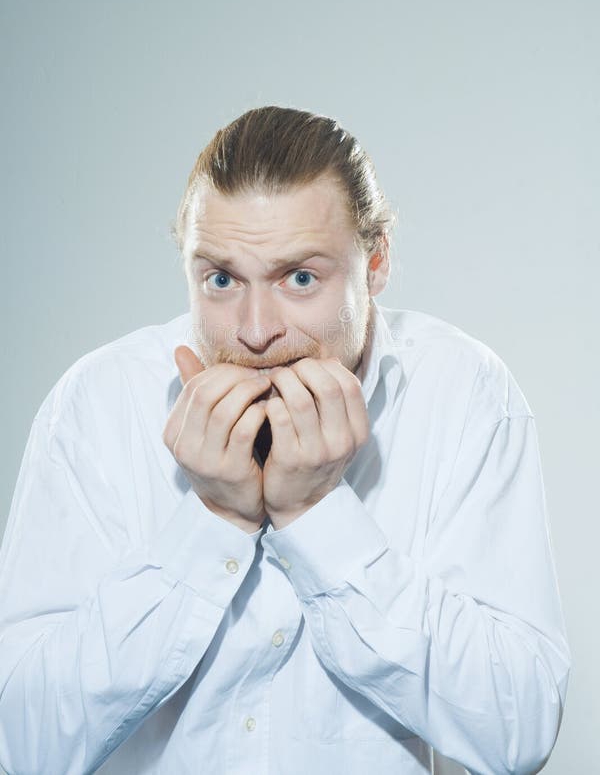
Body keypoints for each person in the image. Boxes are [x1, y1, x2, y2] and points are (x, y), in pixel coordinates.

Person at [0, 106, 570, 775]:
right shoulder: (96, 404)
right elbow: (22, 745)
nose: (255, 330)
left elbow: (517, 732)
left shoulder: (466, 393)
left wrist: (317, 516)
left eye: (300, 278)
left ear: (376, 262)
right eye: (221, 279)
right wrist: (213, 520)